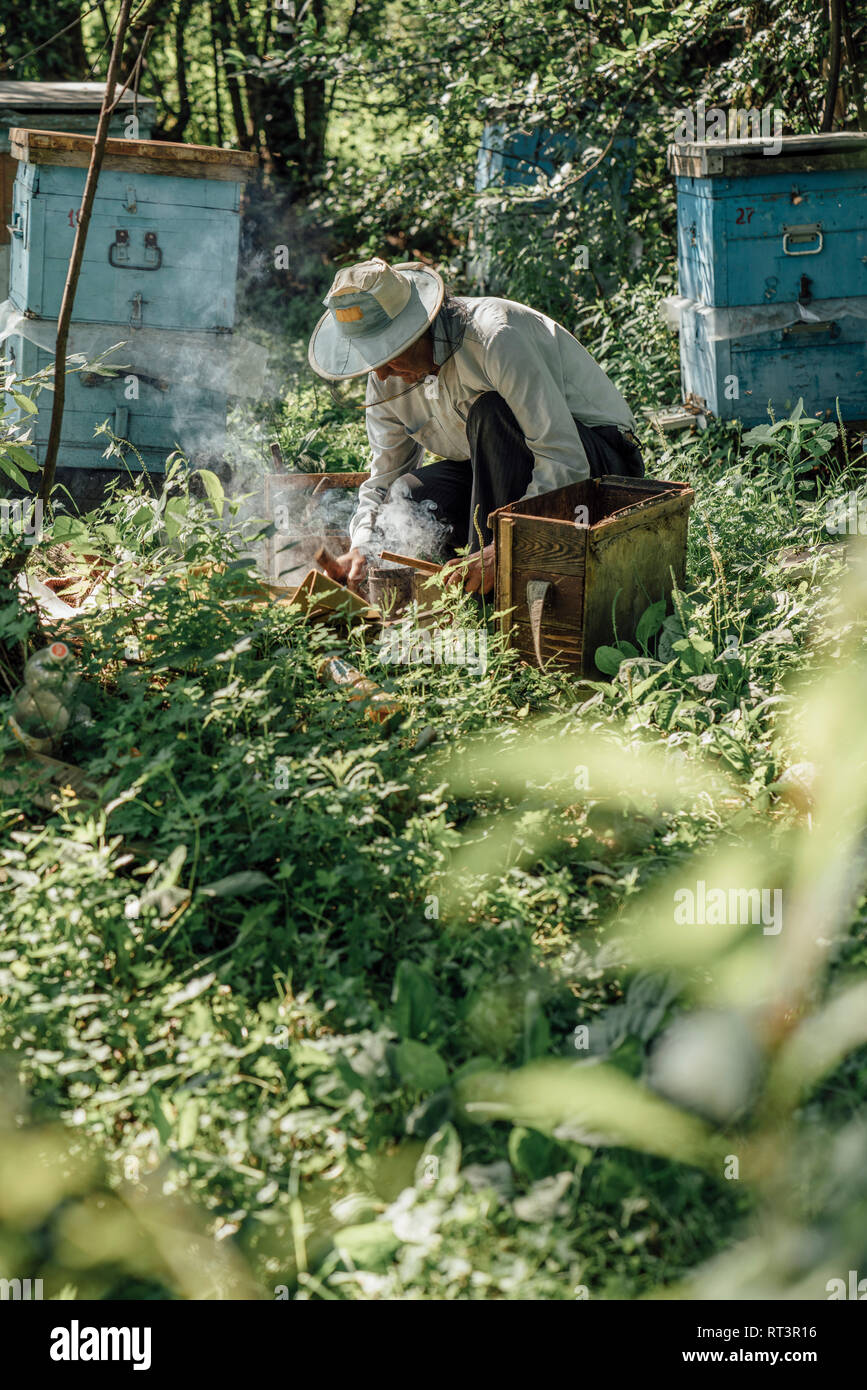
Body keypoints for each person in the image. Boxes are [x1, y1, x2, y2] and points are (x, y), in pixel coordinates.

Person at [307, 257, 644, 594]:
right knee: (407, 495)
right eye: (372, 359)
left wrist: (503, 549)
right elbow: (384, 477)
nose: (380, 373)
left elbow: (565, 459)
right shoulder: (385, 378)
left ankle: (494, 592)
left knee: (491, 412)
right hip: (507, 471)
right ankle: (449, 585)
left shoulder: (495, 337)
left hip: (600, 465)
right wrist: (362, 546)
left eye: (387, 354)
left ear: (419, 327)